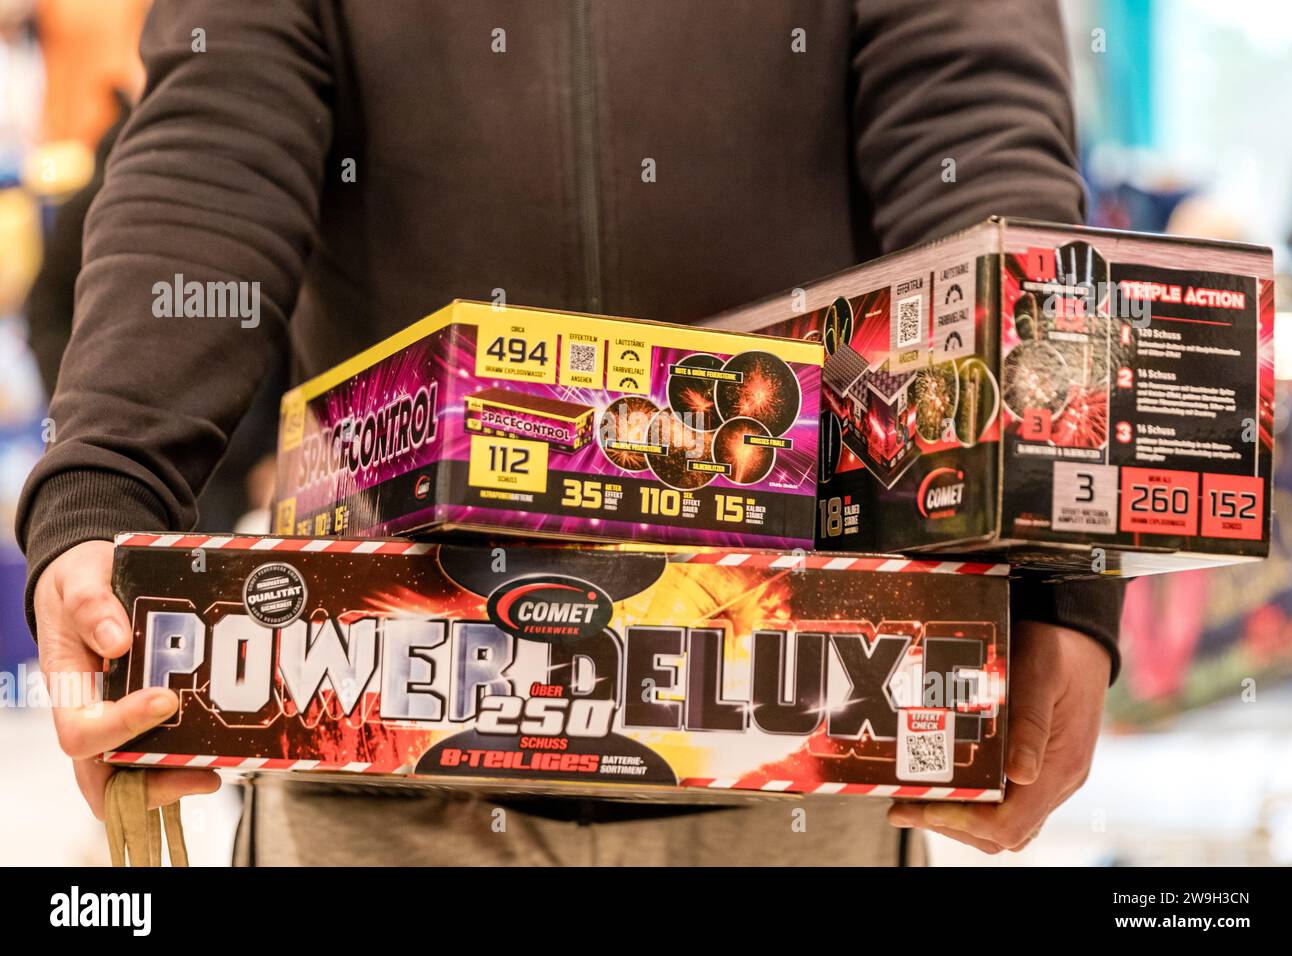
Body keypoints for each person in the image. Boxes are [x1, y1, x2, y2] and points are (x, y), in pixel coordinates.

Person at [21, 0, 1121, 865]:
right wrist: (104, 492)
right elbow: (213, 151)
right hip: (384, 740)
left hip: (790, 726)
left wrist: (1058, 568)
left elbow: (975, 139)